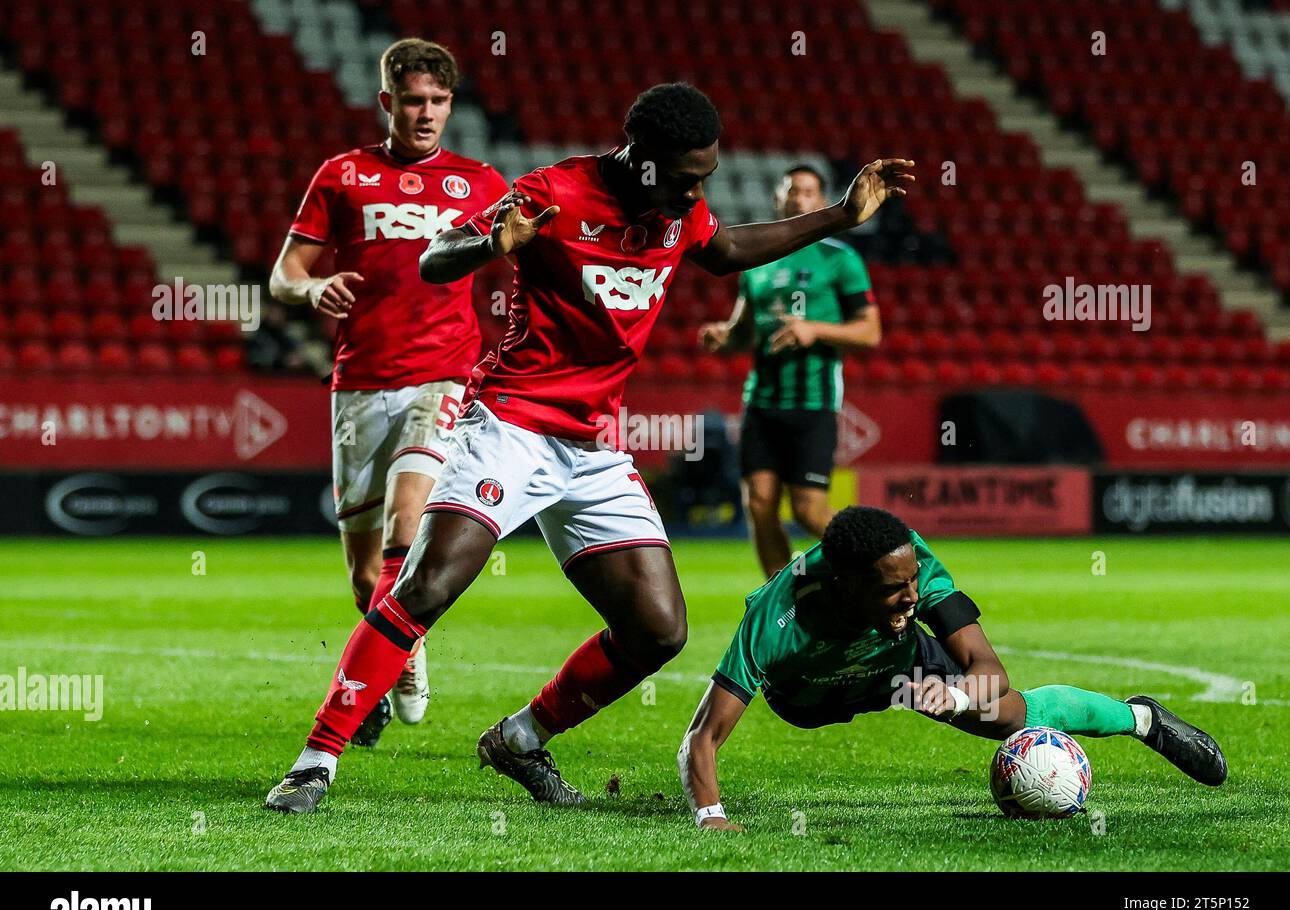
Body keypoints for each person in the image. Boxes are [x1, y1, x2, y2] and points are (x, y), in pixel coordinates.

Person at [265, 81, 914, 813]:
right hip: (510, 424)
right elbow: (434, 259)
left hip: (593, 444)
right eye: (685, 176)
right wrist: (490, 241)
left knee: (659, 629)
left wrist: (839, 216)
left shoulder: (679, 208)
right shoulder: (554, 193)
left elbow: (727, 249)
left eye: (705, 177)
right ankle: (314, 762)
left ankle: (520, 738)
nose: (696, 191)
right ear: (639, 159)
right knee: (429, 584)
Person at [679, 505, 1228, 831]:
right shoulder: (777, 616)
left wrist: (961, 698)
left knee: (1010, 715)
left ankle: (1140, 719)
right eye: (894, 589)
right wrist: (711, 816)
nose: (912, 596)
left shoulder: (909, 559)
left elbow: (988, 667)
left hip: (898, 666)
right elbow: (701, 739)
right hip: (807, 696)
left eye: (913, 581)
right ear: (847, 584)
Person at [268, 39, 506, 743]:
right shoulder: (342, 175)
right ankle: (403, 645)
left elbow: (532, 259)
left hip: (444, 375)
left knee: (410, 526)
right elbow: (283, 275)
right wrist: (313, 287)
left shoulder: (483, 183)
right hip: (360, 386)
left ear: (451, 105)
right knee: (364, 568)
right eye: (412, 101)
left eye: (437, 101)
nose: (425, 113)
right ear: (387, 102)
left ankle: (400, 658)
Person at [700, 166, 881, 577]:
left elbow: (870, 332)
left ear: (821, 201)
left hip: (813, 401)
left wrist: (812, 329)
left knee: (808, 510)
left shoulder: (840, 259)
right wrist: (723, 336)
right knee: (759, 503)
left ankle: (882, 563)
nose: (800, 198)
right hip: (761, 401)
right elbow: (743, 331)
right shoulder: (756, 262)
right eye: (792, 191)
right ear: (778, 200)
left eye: (808, 192)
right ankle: (782, 599)